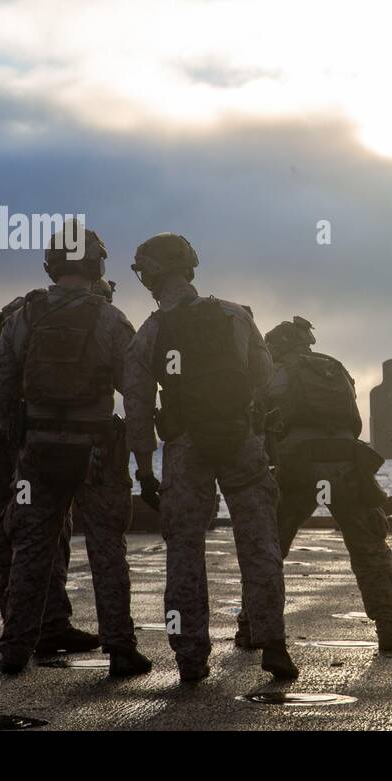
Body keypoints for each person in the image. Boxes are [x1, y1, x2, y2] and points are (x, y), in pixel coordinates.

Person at [123, 232, 296, 684]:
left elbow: (137, 405)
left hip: (184, 446)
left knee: (185, 551)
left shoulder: (152, 331)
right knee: (260, 544)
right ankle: (273, 644)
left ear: (152, 274)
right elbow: (265, 377)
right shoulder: (235, 314)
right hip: (241, 439)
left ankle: (191, 658)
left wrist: (143, 468)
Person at [0, 225, 148, 676]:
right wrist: (141, 454)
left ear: (51, 264)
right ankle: (120, 648)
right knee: (107, 549)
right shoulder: (110, 319)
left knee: (32, 549)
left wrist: (20, 436)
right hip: (96, 450)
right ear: (97, 264)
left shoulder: (26, 314)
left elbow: (2, 384)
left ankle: (14, 649)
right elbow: (134, 390)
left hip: (38, 451)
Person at [234, 317, 392, 651]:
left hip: (297, 466)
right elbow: (355, 424)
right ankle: (390, 627)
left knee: (268, 549)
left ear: (278, 346)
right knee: (370, 547)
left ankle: (250, 626)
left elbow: (256, 423)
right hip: (346, 464)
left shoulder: (274, 372)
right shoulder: (335, 370)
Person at [0, 279, 118, 655]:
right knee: (36, 533)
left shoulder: (25, 314)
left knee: (24, 530)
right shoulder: (67, 315)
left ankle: (31, 625)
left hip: (20, 437)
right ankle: (40, 626)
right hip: (31, 438)